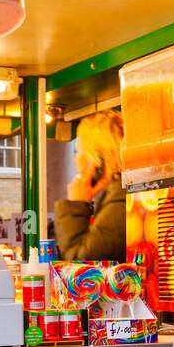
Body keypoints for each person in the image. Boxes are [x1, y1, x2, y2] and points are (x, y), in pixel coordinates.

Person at [53, 110, 126, 262]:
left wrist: (75, 206)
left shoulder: (120, 196)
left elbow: (83, 261)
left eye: (78, 151)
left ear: (96, 157)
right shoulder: (117, 193)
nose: (75, 160)